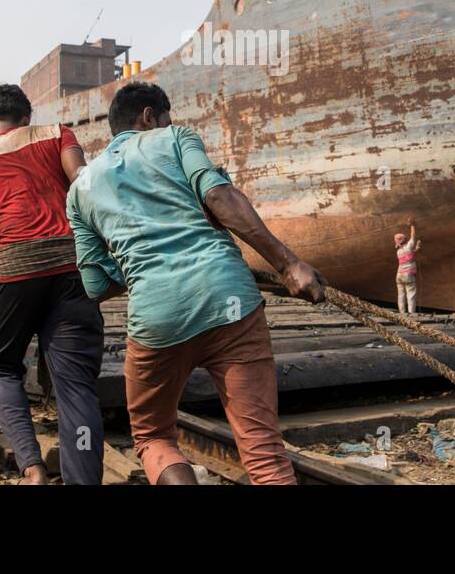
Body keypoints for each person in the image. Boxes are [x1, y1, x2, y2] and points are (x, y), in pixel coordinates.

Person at [67, 80, 327, 485]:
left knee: (153, 436)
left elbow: (96, 287)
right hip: (230, 301)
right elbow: (221, 199)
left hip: (156, 320)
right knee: (262, 448)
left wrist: (140, 267)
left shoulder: (79, 188)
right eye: (166, 117)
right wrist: (288, 265)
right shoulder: (174, 138)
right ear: (150, 116)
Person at [0, 83, 104, 485]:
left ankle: (32, 468)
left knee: (2, 367)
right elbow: (82, 181)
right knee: (76, 388)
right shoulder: (55, 133)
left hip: (14, 271)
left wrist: (9, 258)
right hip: (71, 266)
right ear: (26, 116)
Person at [393, 223, 420, 315]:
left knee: (401, 295)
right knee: (411, 294)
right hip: (408, 274)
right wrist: (412, 225)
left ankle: (402, 313)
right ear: (405, 240)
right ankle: (411, 314)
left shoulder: (398, 251)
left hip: (399, 274)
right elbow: (413, 236)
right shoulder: (408, 247)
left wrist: (416, 249)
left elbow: (409, 255)